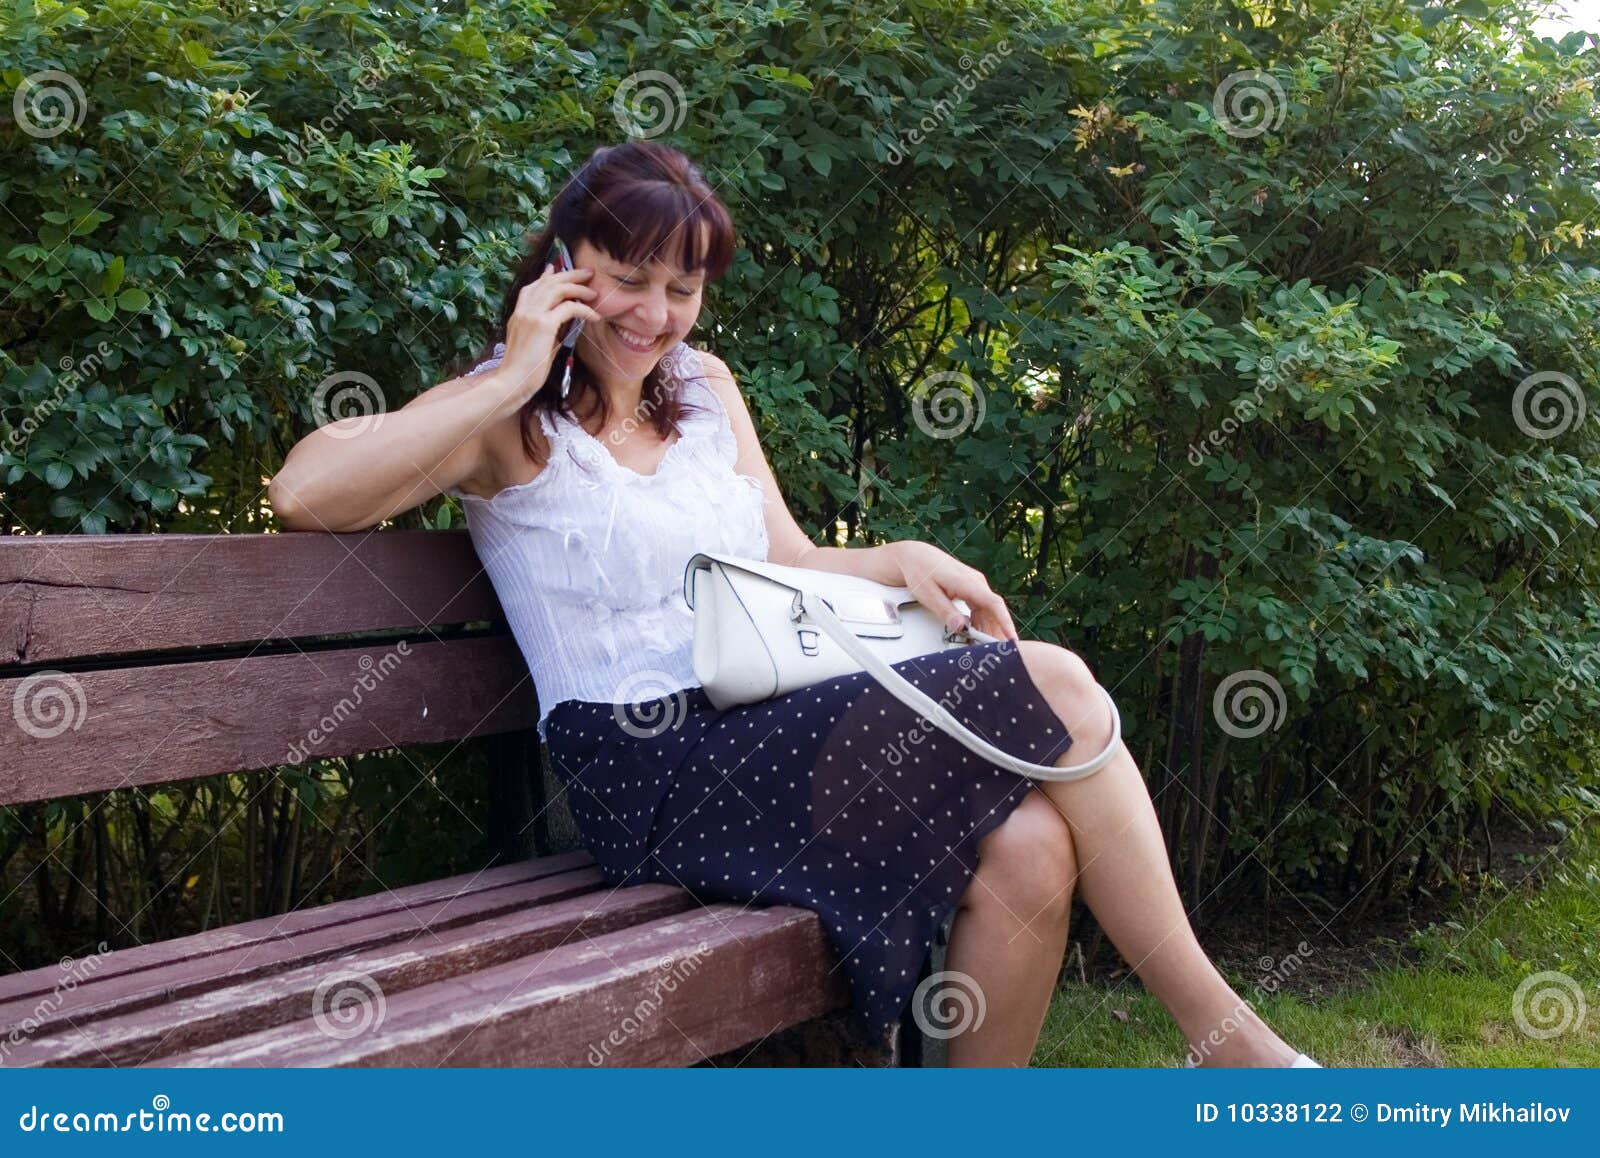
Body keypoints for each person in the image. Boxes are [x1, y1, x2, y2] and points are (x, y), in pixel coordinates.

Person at [269, 139, 1320, 1069]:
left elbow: (793, 560)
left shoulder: (707, 392)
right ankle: (1227, 1044)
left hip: (761, 721)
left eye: (681, 289)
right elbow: (305, 494)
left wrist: (901, 556)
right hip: (648, 772)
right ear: (563, 265)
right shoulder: (504, 427)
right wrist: (515, 368)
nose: (654, 314)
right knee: (1053, 680)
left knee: (1035, 844)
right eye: (628, 278)